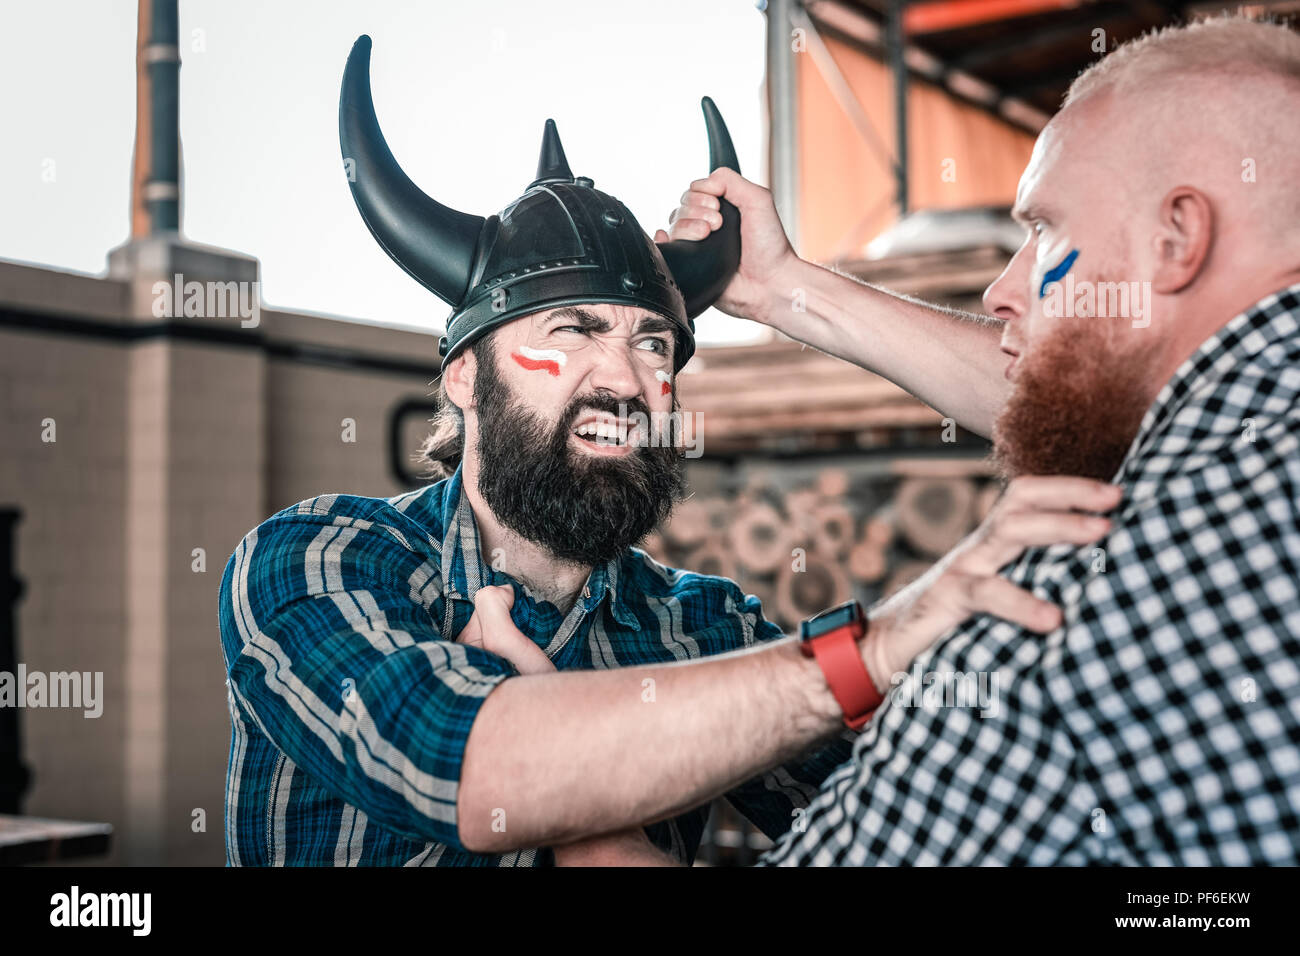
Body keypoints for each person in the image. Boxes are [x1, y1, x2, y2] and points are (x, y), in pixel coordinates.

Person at [217, 35, 1109, 866]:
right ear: (461, 378)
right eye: (571, 330)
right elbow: (455, 761)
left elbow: (914, 832)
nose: (625, 379)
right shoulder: (319, 559)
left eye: (654, 345)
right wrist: (865, 654)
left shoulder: (700, 627)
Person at [652, 14, 1300, 864]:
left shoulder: (1075, 602)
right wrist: (782, 291)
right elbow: (1092, 390)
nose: (1002, 288)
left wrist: (584, 819)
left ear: (1177, 237)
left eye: (1045, 231)